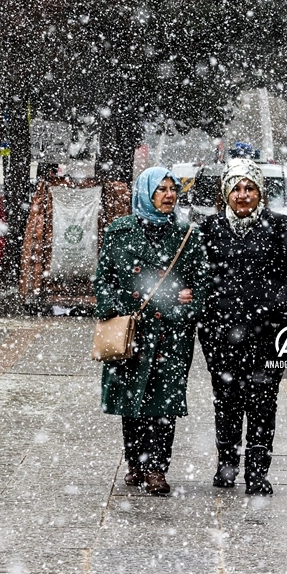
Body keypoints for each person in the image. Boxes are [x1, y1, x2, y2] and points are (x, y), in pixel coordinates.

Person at [94, 167, 209, 496]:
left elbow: (201, 288)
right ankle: (135, 463)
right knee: (132, 402)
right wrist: (128, 306)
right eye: (161, 189)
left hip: (171, 335)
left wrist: (178, 309)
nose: (169, 194)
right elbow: (104, 282)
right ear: (145, 193)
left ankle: (157, 468)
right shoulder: (119, 231)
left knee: (164, 403)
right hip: (132, 332)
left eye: (173, 188)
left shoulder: (188, 235)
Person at [198, 158, 287, 495]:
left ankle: (258, 472)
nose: (242, 195)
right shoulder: (209, 229)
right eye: (236, 188)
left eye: (249, 188)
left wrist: (266, 308)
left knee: (262, 400)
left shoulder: (280, 226)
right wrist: (215, 312)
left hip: (269, 334)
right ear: (226, 193)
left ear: (260, 192)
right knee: (226, 398)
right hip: (221, 334)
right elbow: (201, 279)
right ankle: (227, 464)